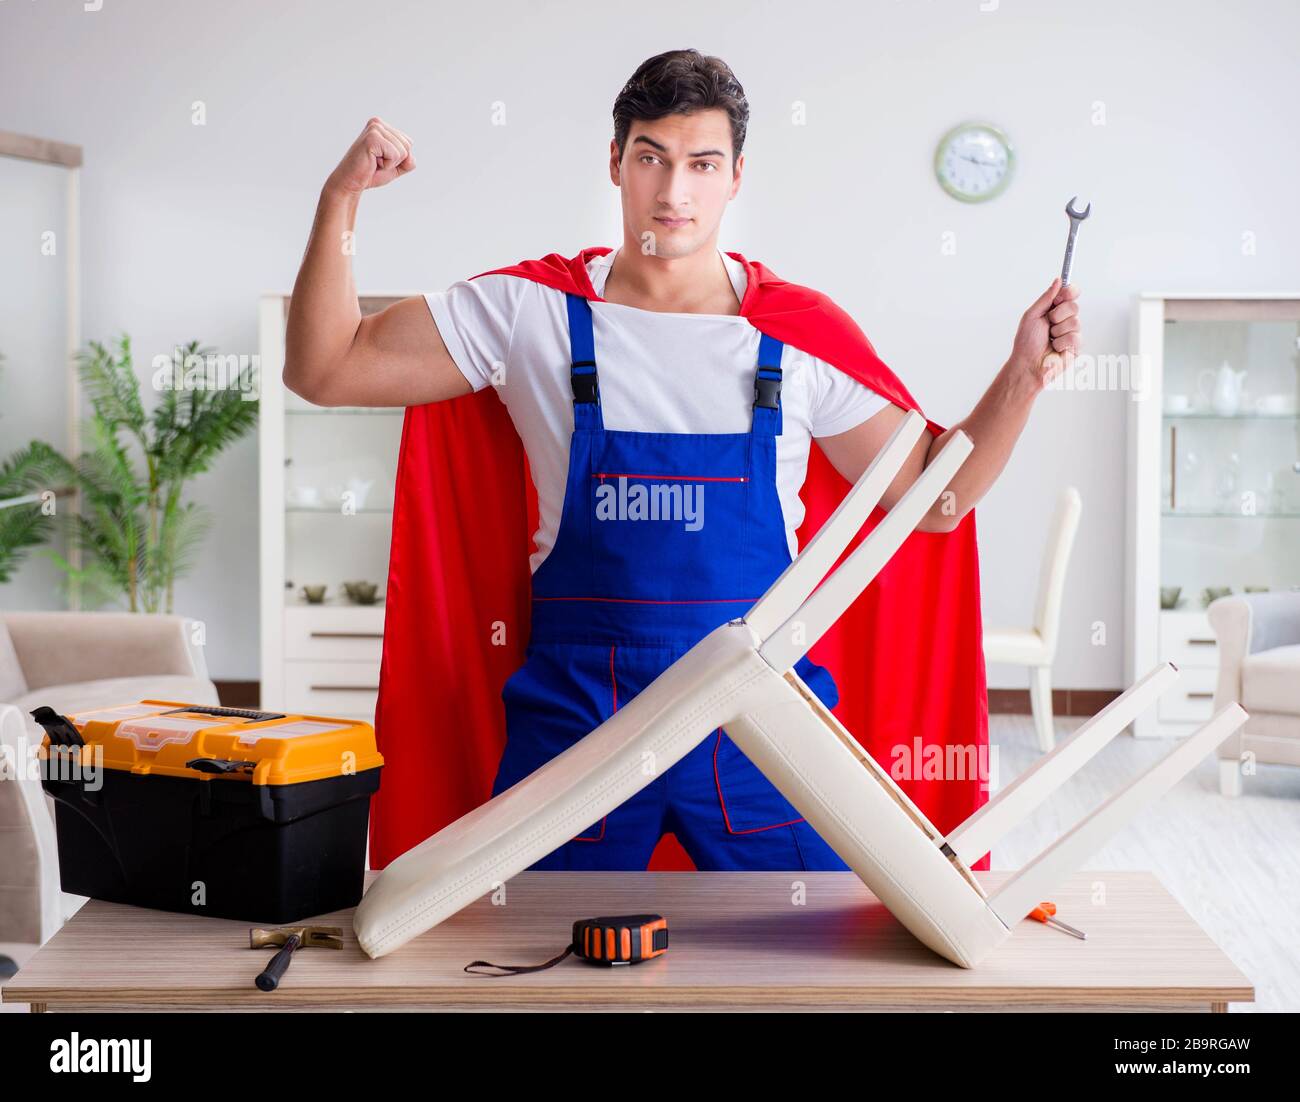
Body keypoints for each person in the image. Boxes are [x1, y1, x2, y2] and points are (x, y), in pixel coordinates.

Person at [283, 49, 1081, 872]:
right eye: (650, 159)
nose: (673, 193)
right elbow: (325, 367)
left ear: (736, 176)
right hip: (580, 726)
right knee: (536, 965)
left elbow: (936, 501)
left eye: (701, 164)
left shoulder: (798, 338)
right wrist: (340, 198)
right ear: (616, 164)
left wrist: (1022, 374)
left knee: (812, 966)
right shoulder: (531, 312)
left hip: (762, 726)